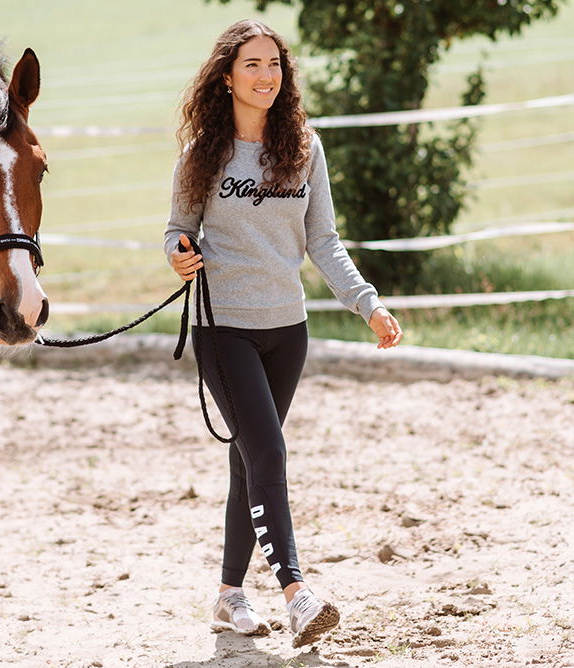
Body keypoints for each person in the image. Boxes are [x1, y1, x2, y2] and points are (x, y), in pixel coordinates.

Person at [164, 19, 402, 649]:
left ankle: (228, 595)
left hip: (287, 330)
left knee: (250, 459)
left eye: (274, 65)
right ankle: (297, 593)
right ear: (227, 76)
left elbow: (322, 240)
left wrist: (366, 304)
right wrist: (181, 252)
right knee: (267, 453)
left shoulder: (304, 147)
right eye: (252, 65)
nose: (266, 75)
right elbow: (176, 229)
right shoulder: (203, 154)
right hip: (224, 328)